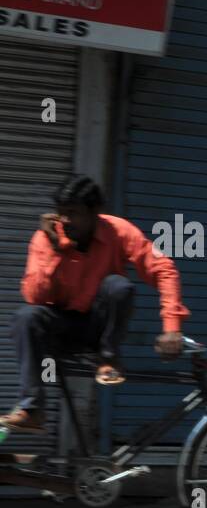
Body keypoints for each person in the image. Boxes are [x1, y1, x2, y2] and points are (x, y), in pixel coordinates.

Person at [2, 176, 189, 433]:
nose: (65, 221)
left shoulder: (118, 231)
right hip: (60, 330)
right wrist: (56, 251)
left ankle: (108, 360)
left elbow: (163, 268)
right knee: (26, 316)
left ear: (95, 213)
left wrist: (171, 327)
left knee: (118, 285)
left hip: (98, 329)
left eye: (73, 213)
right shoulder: (45, 238)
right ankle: (32, 409)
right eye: (61, 213)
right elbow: (34, 297)